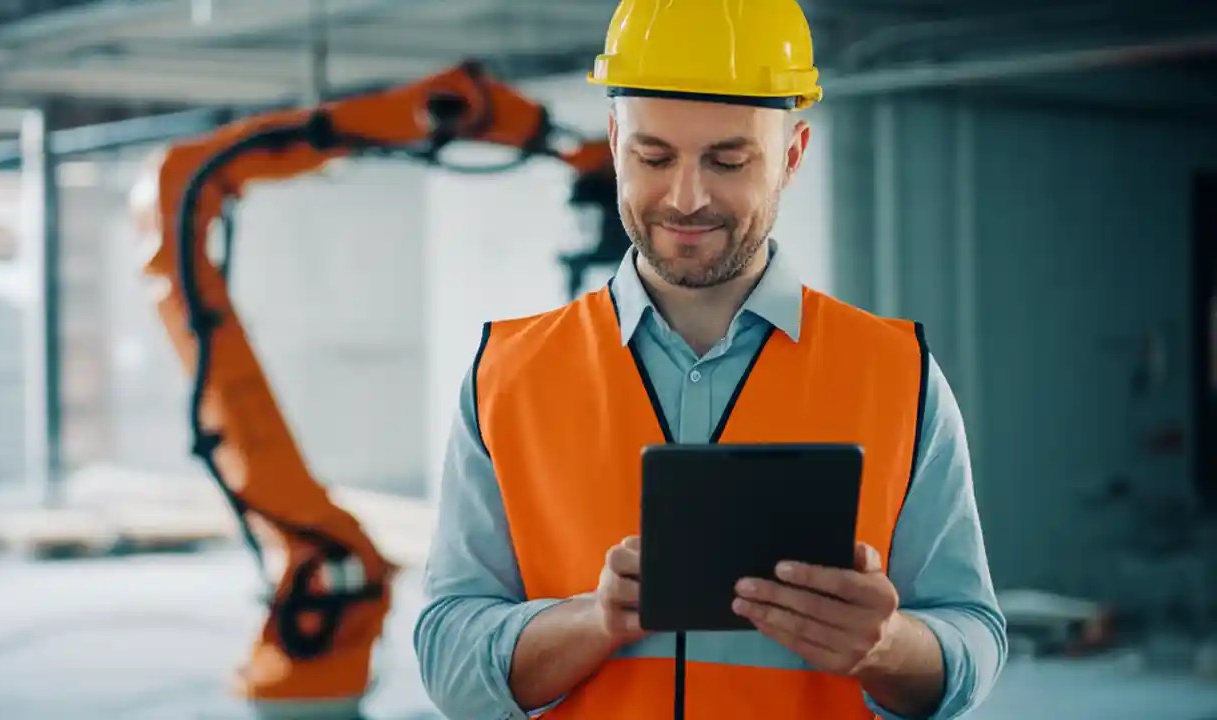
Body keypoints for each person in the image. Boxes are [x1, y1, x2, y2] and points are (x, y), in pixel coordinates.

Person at [413, 1, 1007, 718]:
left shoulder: (899, 374)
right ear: (613, 141)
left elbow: (972, 639)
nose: (686, 198)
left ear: (792, 155)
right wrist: (594, 622)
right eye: (653, 156)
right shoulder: (505, 374)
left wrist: (886, 645)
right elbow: (447, 655)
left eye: (728, 160)